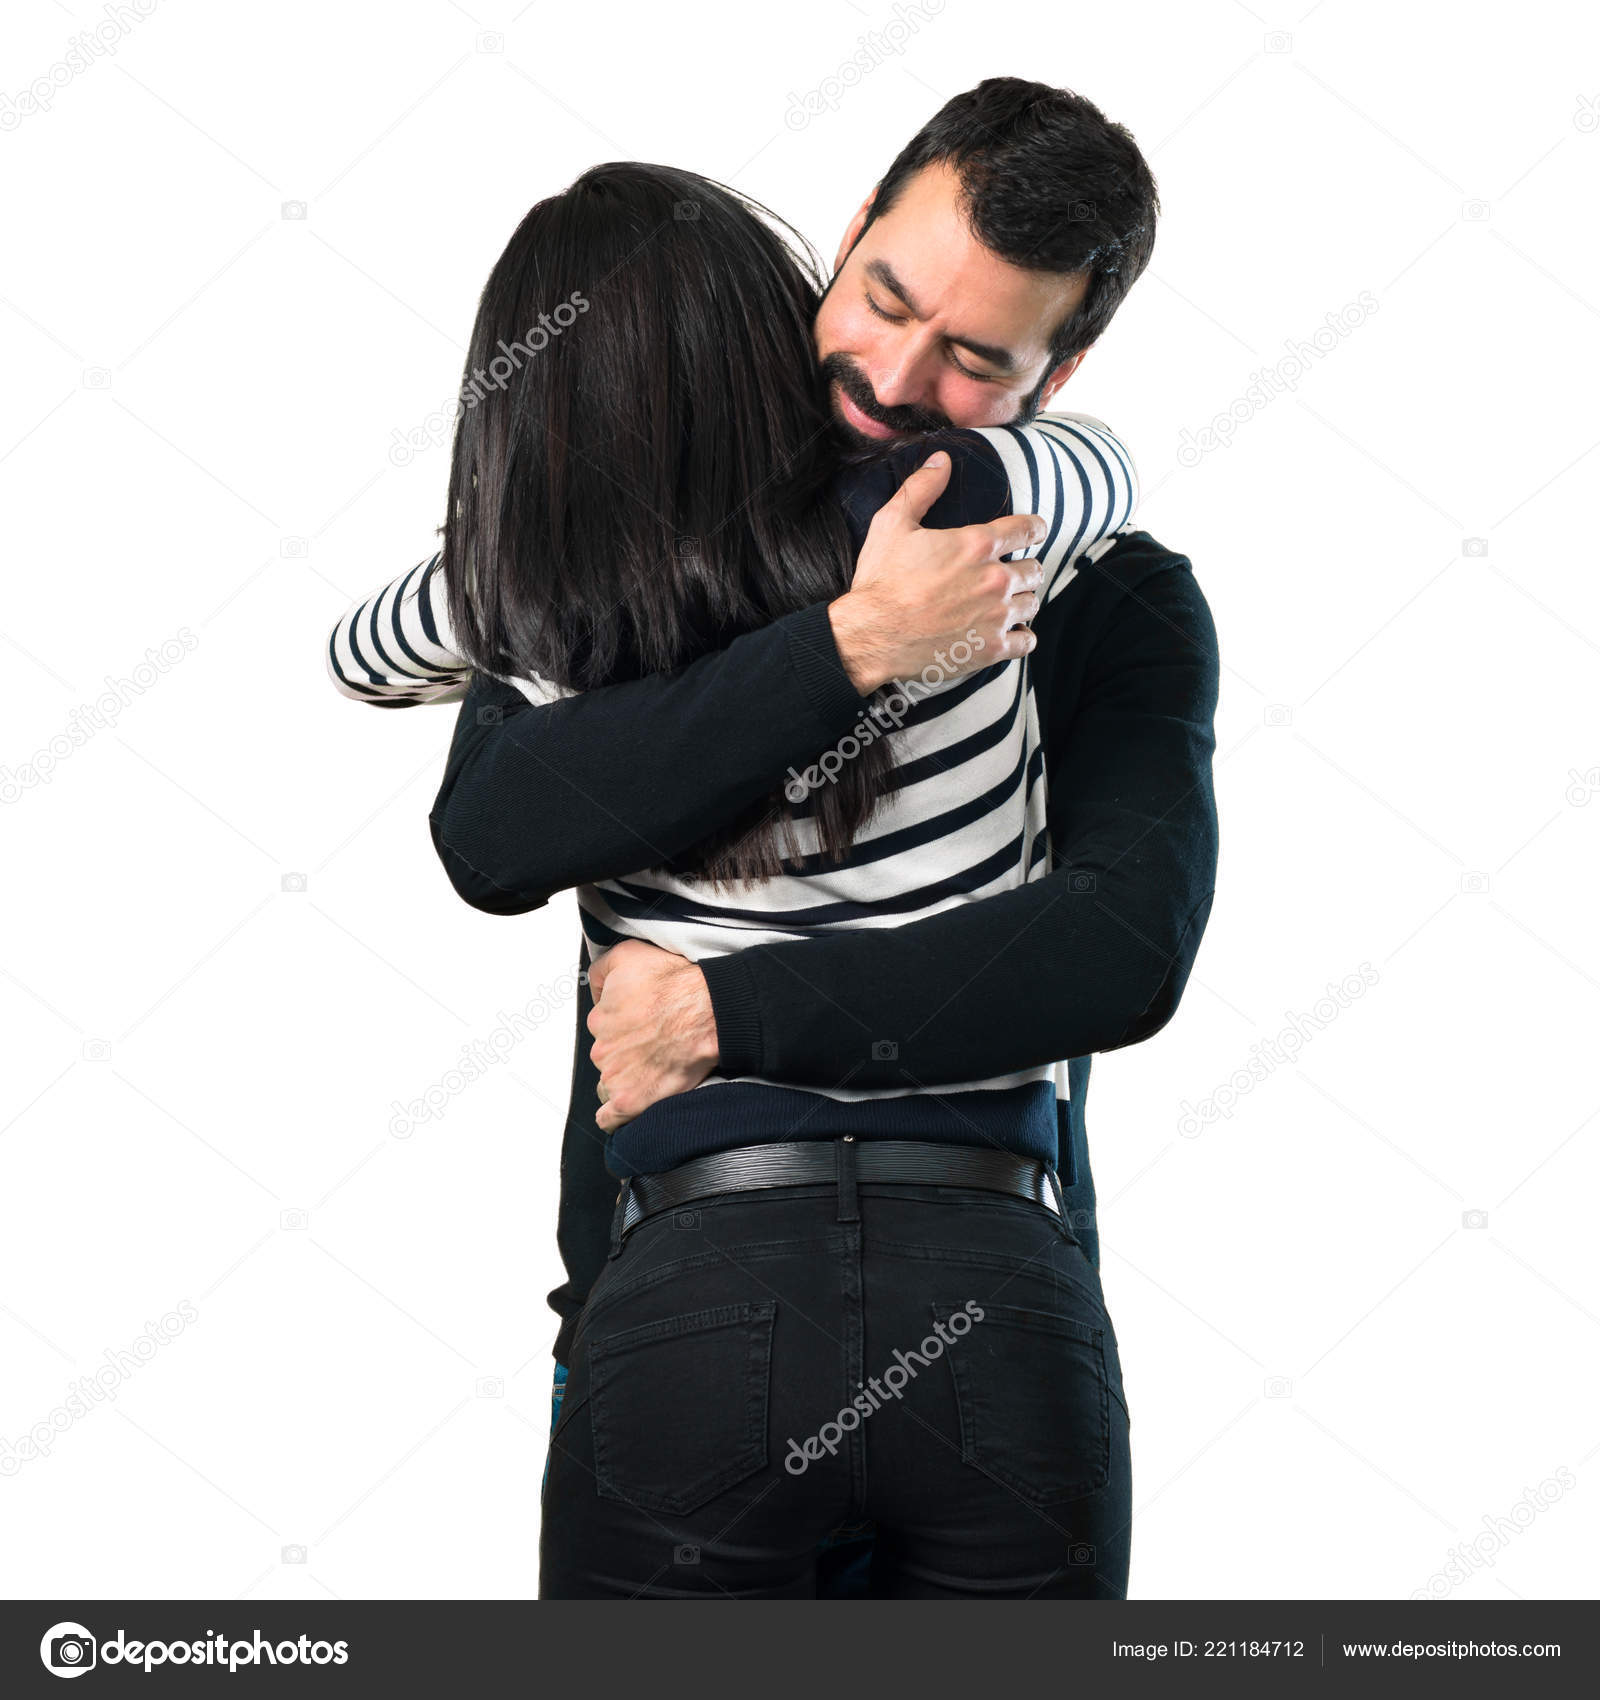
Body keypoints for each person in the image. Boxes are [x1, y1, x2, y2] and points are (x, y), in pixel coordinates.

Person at [328, 80, 1220, 1595]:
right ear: (852, 228)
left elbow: (1120, 949)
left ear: (1059, 370)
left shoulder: (1096, 586)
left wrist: (721, 1013)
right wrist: (859, 637)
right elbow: (491, 826)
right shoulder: (613, 548)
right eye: (883, 299)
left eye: (972, 360)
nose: (890, 375)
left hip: (922, 1280)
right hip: (719, 1282)